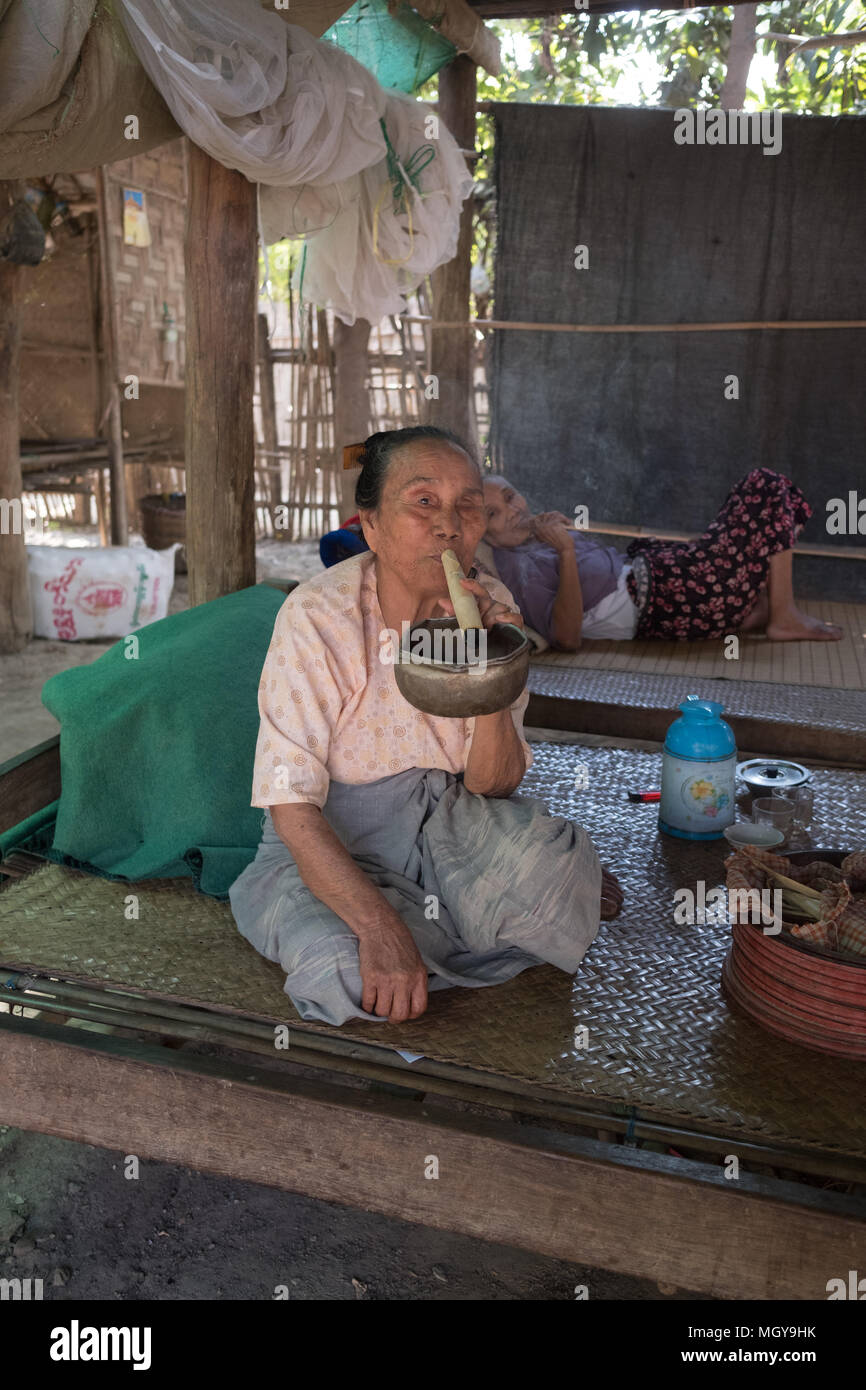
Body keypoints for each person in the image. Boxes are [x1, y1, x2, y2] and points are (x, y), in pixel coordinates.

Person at [229, 426, 623, 1027]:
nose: (450, 525)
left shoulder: (490, 602)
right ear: (371, 525)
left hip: (447, 824)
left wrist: (491, 662)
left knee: (558, 871)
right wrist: (378, 927)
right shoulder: (318, 616)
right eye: (423, 502)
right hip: (325, 840)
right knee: (344, 967)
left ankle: (437, 940)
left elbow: (493, 787)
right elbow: (291, 807)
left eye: (468, 504)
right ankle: (409, 935)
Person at [482, 469, 843, 651]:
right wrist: (565, 550)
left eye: (512, 497)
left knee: (768, 511)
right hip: (667, 597)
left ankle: (769, 612)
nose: (513, 511)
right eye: (495, 514)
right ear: (483, 532)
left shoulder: (533, 539)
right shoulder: (517, 569)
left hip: (665, 574)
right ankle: (783, 616)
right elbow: (567, 639)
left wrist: (561, 540)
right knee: (763, 485)